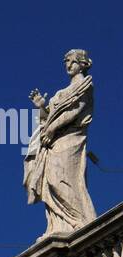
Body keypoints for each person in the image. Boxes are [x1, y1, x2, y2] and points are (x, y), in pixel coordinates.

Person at [24, 49, 96, 237]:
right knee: (51, 180)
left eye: (72, 61)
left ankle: (82, 223)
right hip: (53, 141)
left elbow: (75, 111)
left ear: (82, 64)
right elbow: (50, 116)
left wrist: (52, 128)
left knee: (61, 178)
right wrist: (41, 107)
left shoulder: (85, 85)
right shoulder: (61, 92)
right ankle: (60, 226)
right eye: (66, 61)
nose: (68, 65)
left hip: (69, 139)